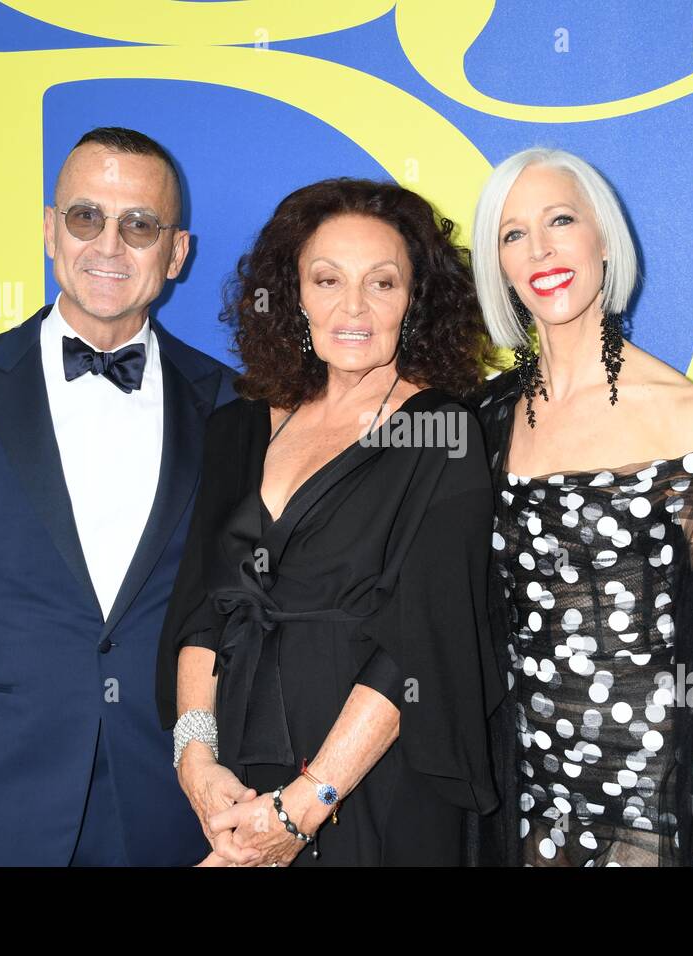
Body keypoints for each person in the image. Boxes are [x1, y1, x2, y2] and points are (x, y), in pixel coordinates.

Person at [0, 127, 238, 866]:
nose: (109, 245)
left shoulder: (233, 406)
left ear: (176, 253)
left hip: (173, 805)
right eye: (85, 217)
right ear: (50, 230)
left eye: (140, 225)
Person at [469, 147, 693, 866]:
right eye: (513, 234)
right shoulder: (486, 420)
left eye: (561, 220)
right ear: (500, 264)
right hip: (525, 803)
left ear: (604, 239)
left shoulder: (692, 420)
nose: (540, 249)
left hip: (657, 812)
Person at [156, 177, 506, 866]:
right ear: (293, 295)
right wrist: (195, 760)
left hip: (371, 782)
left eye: (382, 283)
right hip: (235, 778)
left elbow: (422, 644)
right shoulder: (235, 427)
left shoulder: (444, 433)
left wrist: (308, 801)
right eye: (326, 280)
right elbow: (202, 608)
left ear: (415, 301)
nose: (354, 308)